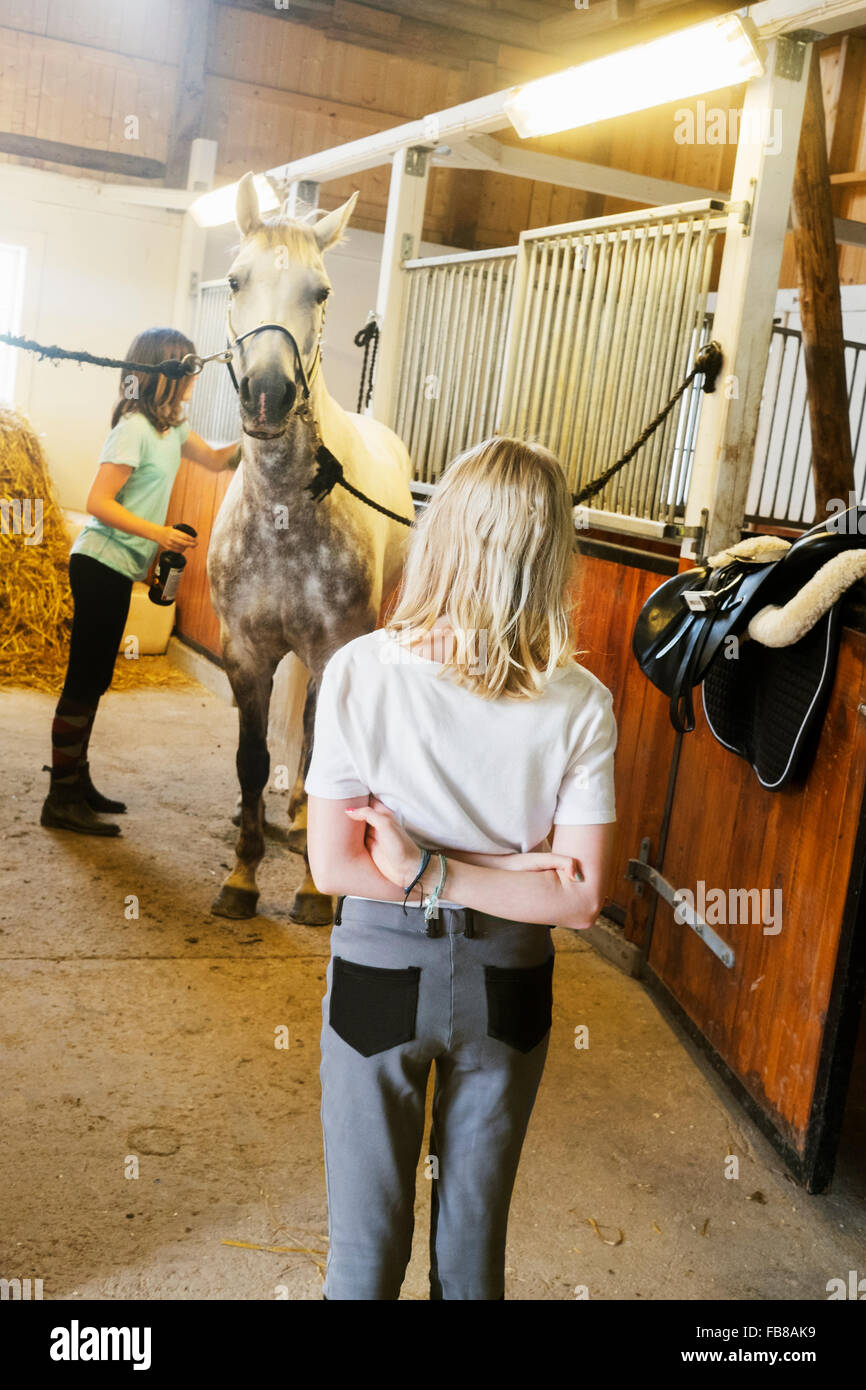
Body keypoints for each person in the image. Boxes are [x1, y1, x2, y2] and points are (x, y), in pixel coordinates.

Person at [304, 435, 618, 1301]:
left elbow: (333, 865)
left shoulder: (361, 671)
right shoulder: (582, 703)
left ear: (442, 534)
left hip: (380, 968)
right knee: (475, 1250)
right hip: (508, 978)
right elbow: (579, 896)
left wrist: (421, 870)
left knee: (364, 1252)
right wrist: (507, 866)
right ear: (552, 553)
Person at [41, 326, 241, 837]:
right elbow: (97, 502)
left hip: (119, 566)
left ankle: (76, 781)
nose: (195, 375)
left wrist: (263, 431)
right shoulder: (131, 428)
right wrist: (161, 534)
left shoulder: (170, 429)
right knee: (85, 680)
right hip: (99, 563)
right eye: (187, 367)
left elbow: (218, 460)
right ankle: (60, 798)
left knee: (98, 679)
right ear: (164, 374)